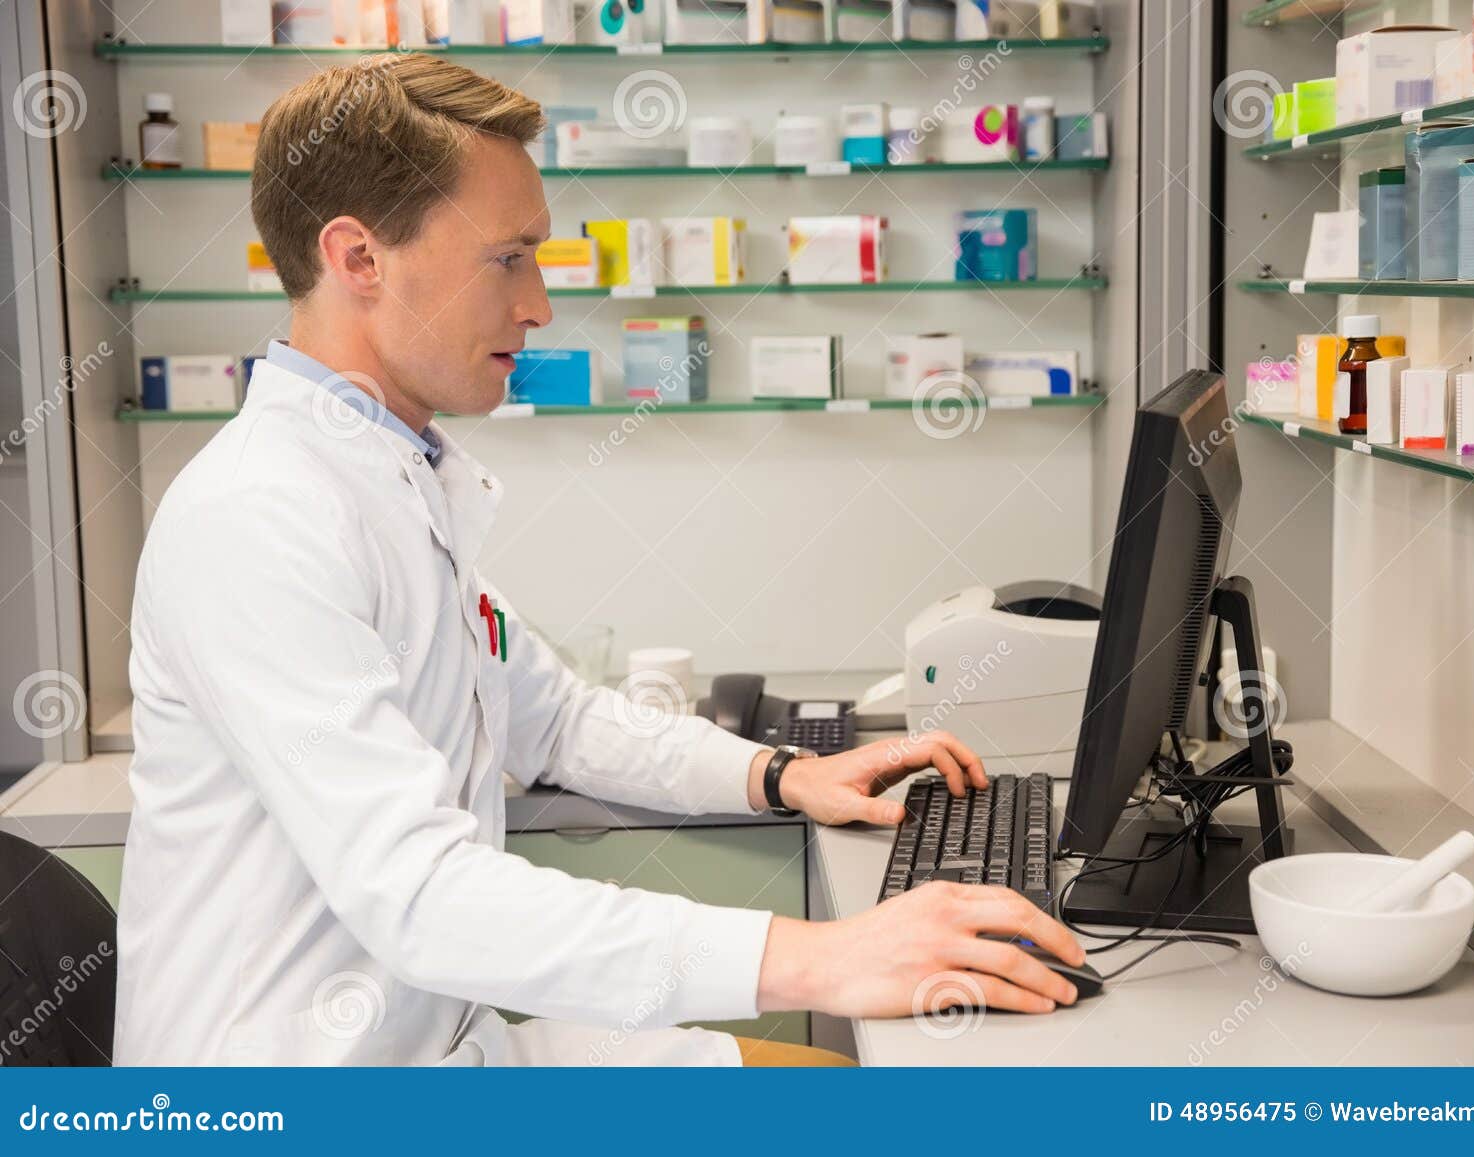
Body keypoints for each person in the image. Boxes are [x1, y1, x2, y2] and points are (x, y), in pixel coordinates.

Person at [113, 55, 1083, 1067]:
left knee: (838, 1084)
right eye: (507, 259)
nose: (537, 305)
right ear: (360, 258)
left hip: (442, 1048)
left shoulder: (395, 477)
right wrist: (823, 956)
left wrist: (783, 771)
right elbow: (424, 897)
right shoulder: (260, 515)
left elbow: (558, 717)